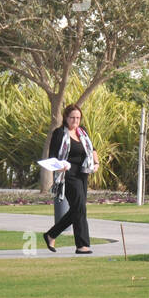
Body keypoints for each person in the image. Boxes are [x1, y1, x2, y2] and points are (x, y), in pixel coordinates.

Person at [43, 104, 99, 254]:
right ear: (66, 118)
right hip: (67, 175)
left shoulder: (82, 132)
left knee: (78, 208)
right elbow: (53, 156)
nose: (75, 120)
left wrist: (97, 163)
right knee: (80, 208)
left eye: (78, 118)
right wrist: (59, 166)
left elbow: (92, 149)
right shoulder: (60, 133)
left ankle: (51, 234)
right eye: (72, 117)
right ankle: (82, 245)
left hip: (83, 174)